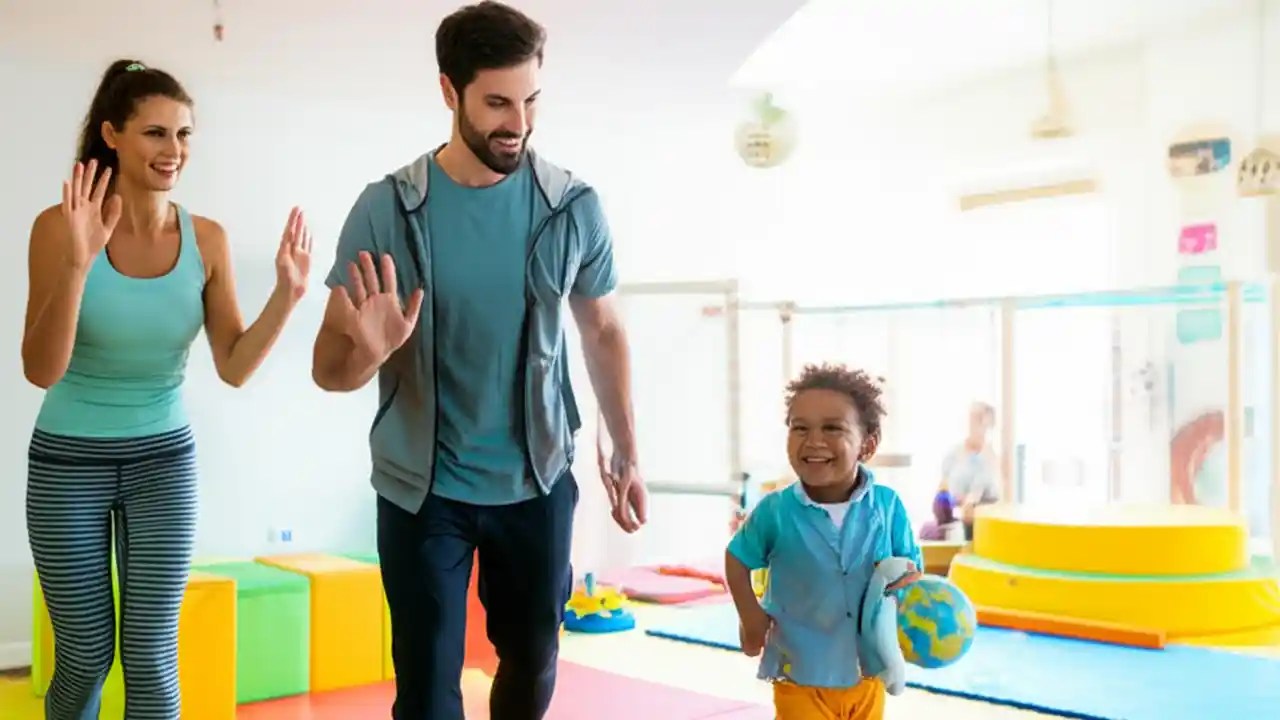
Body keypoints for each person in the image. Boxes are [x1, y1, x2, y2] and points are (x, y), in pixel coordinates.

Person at [309, 3, 645, 718]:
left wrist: (625, 449)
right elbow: (328, 368)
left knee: (532, 662)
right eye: (496, 102)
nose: (517, 123)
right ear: (448, 92)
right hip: (423, 493)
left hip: (538, 481)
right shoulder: (387, 210)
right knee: (428, 692)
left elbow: (603, 329)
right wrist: (367, 354)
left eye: (530, 101)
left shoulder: (572, 205)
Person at [22, 59, 312, 719]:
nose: (173, 150)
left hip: (163, 461)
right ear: (112, 136)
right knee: (85, 655)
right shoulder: (57, 228)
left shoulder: (204, 239)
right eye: (155, 133)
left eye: (183, 135)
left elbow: (235, 365)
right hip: (68, 463)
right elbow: (40, 369)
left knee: (152, 655)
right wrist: (76, 261)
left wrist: (287, 296)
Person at [725, 363, 922, 720]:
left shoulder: (888, 506)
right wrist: (750, 618)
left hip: (867, 671)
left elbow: (910, 573)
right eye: (800, 428)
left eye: (832, 428)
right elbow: (737, 558)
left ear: (869, 443)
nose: (813, 441)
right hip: (800, 670)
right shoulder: (776, 511)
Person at [937, 401, 1000, 539]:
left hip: (983, 524)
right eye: (974, 420)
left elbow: (980, 493)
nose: (977, 427)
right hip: (955, 522)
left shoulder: (991, 459)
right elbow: (943, 490)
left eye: (981, 421)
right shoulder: (953, 455)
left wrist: (971, 502)